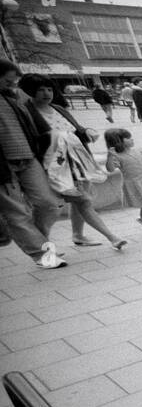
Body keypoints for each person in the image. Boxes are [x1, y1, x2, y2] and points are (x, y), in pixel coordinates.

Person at [20, 73, 128, 251]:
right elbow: (32, 141)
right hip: (52, 167)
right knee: (72, 203)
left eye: (49, 89)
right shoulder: (27, 112)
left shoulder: (58, 108)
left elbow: (75, 129)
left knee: (81, 201)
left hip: (77, 164)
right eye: (40, 90)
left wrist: (85, 131)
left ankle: (77, 236)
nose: (46, 93)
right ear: (30, 91)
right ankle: (112, 237)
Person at [1, 60, 65, 267]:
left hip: (28, 158)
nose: (12, 85)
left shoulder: (15, 98)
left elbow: (36, 127)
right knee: (16, 213)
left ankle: (41, 242)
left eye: (13, 81)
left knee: (49, 203)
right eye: (7, 81)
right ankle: (42, 254)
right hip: (2, 165)